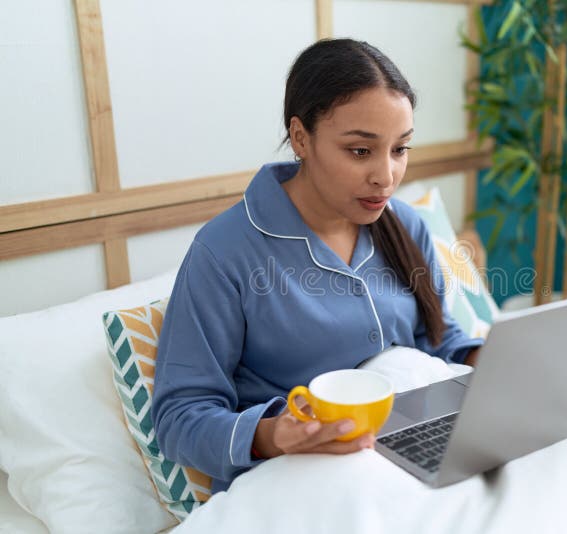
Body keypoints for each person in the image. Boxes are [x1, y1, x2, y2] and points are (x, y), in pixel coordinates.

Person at [152, 38, 483, 494]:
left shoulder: (405, 225)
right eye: (360, 151)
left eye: (400, 149)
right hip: (301, 481)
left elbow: (440, 342)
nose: (385, 176)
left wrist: (497, 361)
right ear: (302, 137)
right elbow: (178, 419)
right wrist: (271, 434)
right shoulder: (224, 252)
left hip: (414, 453)